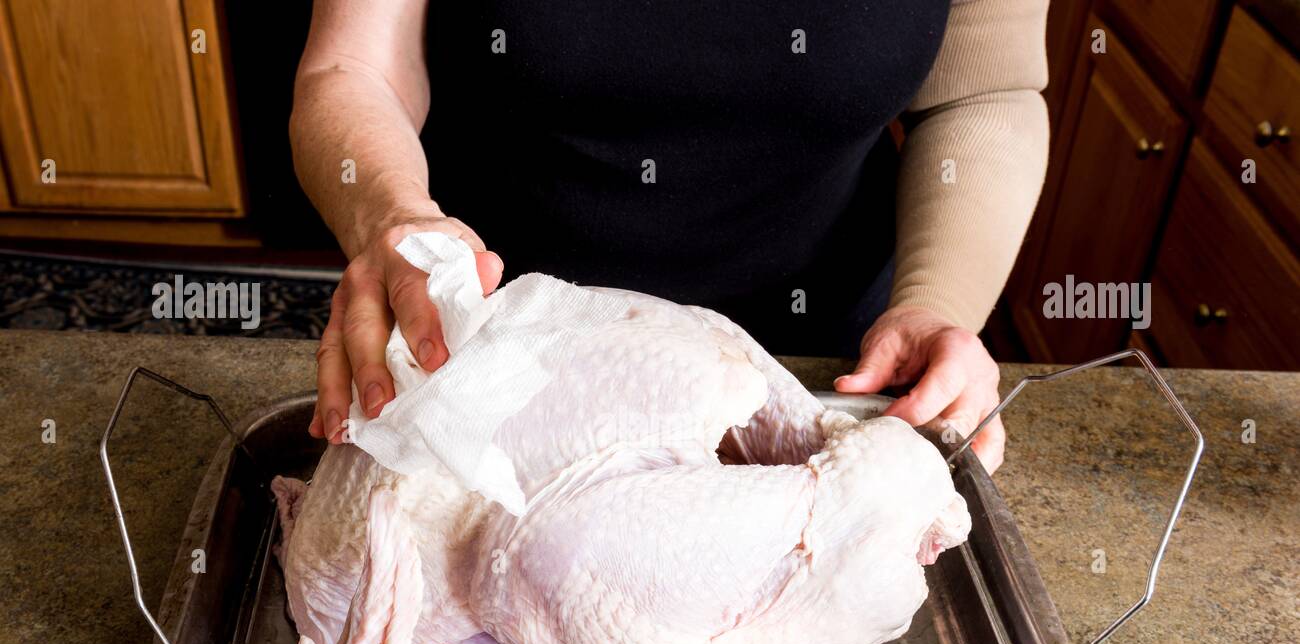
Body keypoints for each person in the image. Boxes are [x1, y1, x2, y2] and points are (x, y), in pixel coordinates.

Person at [290, 0, 1049, 472]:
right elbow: (356, 67)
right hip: (490, 361)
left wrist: (936, 299)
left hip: (825, 376)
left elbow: (984, 90)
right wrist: (394, 217)